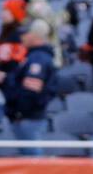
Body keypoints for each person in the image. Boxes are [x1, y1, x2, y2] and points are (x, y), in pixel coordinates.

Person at [4, 19, 56, 155]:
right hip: (27, 117)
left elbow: (31, 92)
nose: (22, 37)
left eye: (26, 33)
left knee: (33, 160)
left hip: (28, 118)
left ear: (35, 36)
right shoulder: (34, 56)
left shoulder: (38, 59)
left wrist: (19, 112)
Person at [0, 0, 28, 89]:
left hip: (12, 85)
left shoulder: (19, 35)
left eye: (6, 11)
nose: (2, 14)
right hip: (0, 83)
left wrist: (6, 76)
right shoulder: (4, 32)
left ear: (15, 14)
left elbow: (17, 64)